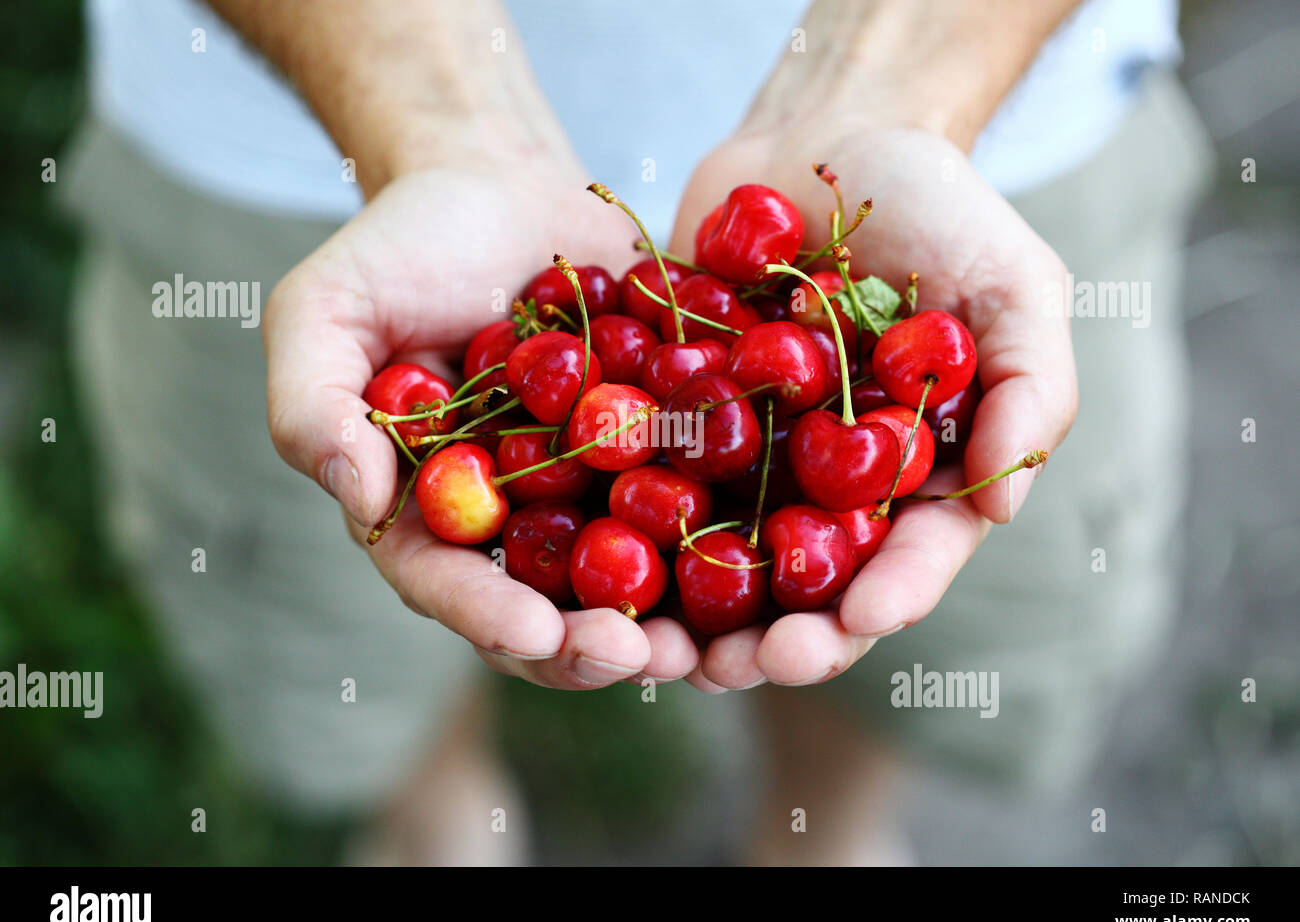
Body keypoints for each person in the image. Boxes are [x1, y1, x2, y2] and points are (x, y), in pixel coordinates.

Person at [64, 0, 1209, 863]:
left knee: (927, 627)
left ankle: (821, 837)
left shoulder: (826, 357)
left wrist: (887, 99)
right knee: (321, 634)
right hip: (289, 157)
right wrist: (434, 122)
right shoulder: (587, 415)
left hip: (987, 128)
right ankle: (441, 827)